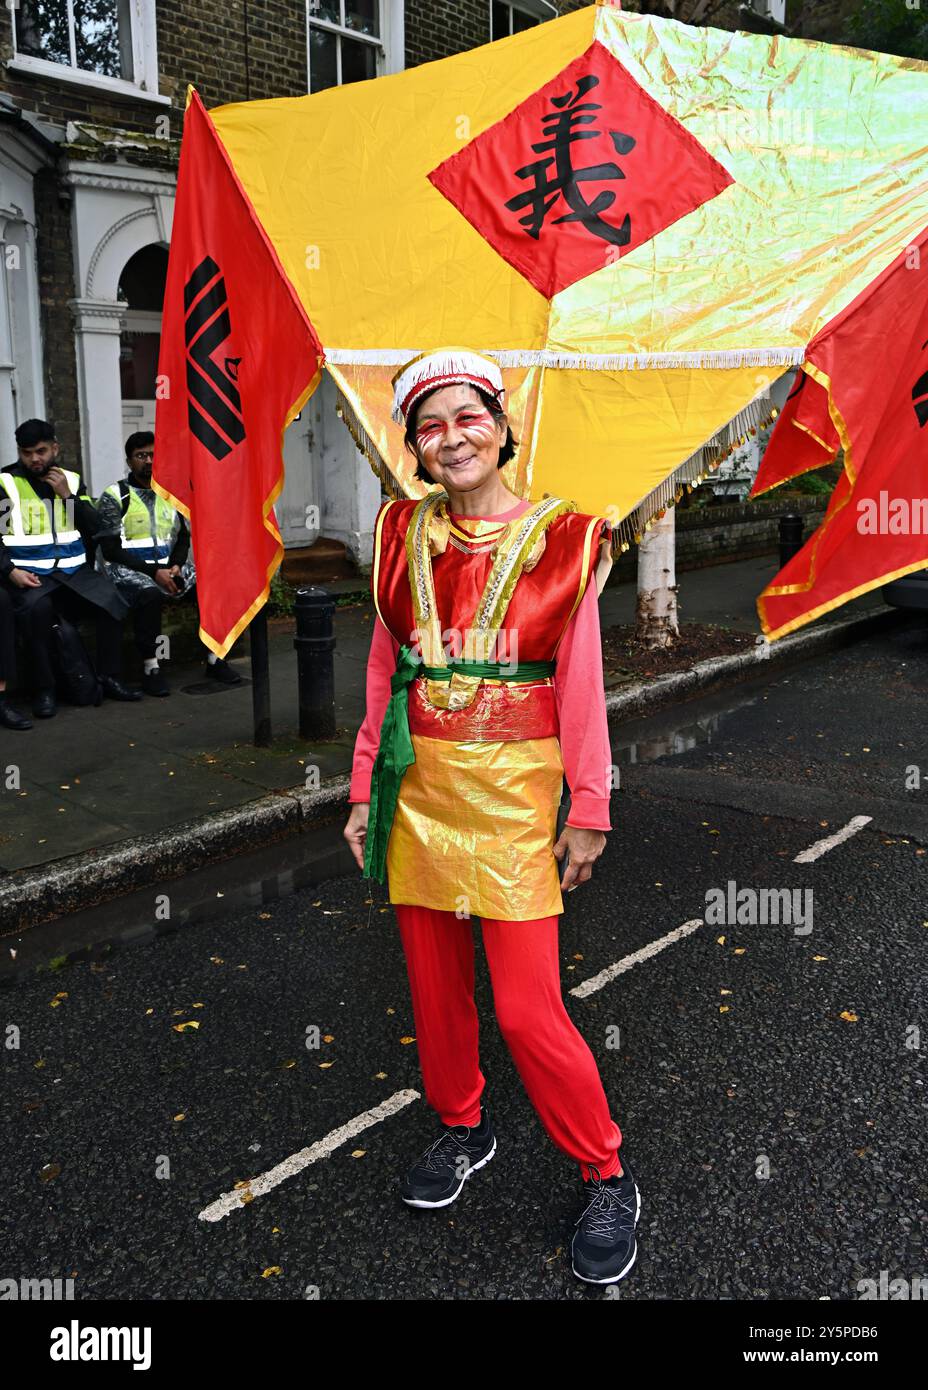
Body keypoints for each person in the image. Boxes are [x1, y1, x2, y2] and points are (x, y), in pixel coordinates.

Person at [342, 348, 640, 1286]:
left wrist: (588, 804)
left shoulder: (569, 538)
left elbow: (583, 687)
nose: (451, 438)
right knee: (434, 991)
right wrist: (363, 792)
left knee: (525, 1007)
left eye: (468, 417)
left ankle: (605, 1170)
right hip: (417, 790)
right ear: (417, 451)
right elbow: (386, 675)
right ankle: (463, 1126)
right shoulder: (397, 534)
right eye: (430, 427)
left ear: (502, 426)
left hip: (517, 797)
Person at [0, 419, 142, 718]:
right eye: (27, 453)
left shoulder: (72, 480)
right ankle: (45, 690)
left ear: (55, 448)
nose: (35, 459)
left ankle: (110, 677)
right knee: (36, 615)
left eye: (41, 451)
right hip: (32, 575)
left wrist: (68, 496)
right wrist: (9, 570)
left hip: (75, 573)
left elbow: (97, 528)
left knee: (112, 603)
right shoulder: (6, 483)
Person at [94, 431, 242, 696]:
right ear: (130, 461)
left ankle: (215, 658)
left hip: (166, 567)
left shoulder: (172, 492)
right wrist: (154, 572)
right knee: (150, 595)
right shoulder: (115, 496)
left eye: (153, 455)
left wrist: (175, 565)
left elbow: (183, 536)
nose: (148, 461)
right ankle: (152, 668)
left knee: (213, 585)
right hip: (128, 571)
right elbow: (111, 550)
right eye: (141, 456)